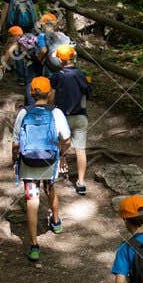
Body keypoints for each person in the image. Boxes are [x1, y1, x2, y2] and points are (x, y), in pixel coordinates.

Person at [12, 76, 71, 263]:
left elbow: (15, 143)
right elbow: (67, 139)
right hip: (49, 161)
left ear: (31, 92)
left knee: (32, 198)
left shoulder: (23, 113)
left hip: (28, 162)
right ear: (49, 93)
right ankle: (56, 221)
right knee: (50, 188)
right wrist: (62, 154)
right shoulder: (56, 113)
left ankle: (34, 244)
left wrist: (15, 160)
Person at [51, 45, 92, 194]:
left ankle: (58, 169)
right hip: (80, 116)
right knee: (80, 149)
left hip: (62, 117)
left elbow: (52, 95)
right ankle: (81, 182)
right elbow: (88, 92)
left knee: (60, 143)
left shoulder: (56, 76)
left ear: (60, 60)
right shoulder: (81, 74)